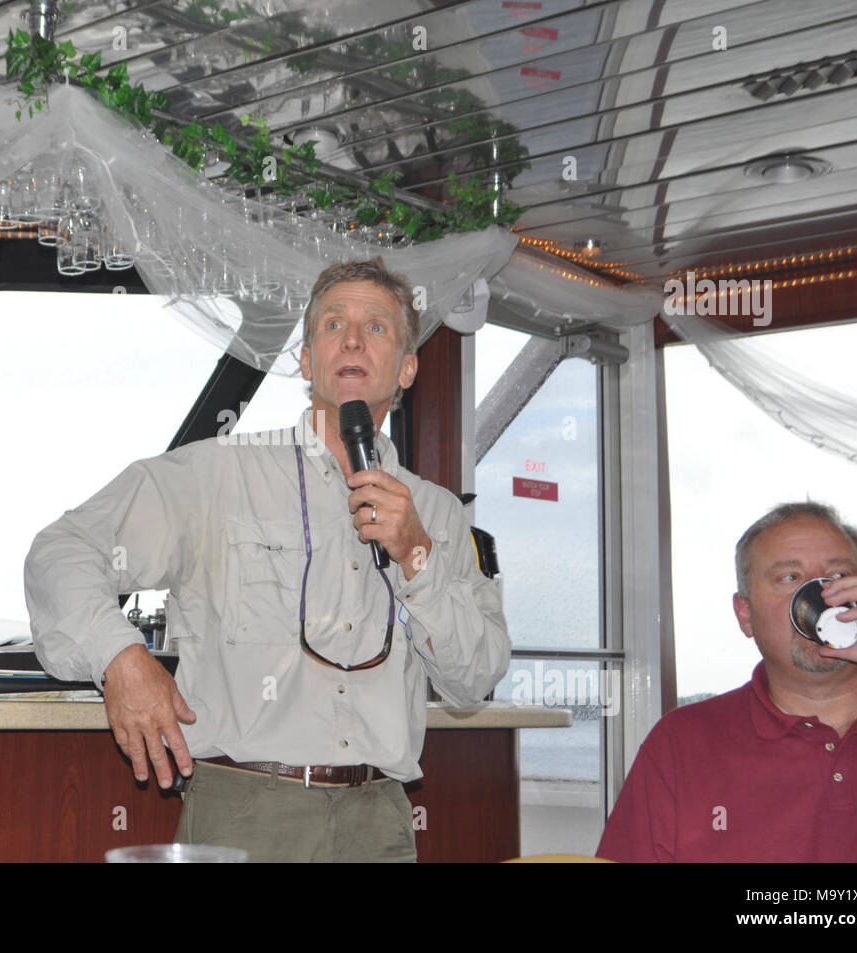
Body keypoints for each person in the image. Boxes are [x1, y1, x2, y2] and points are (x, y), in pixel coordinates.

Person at [25, 258, 510, 862]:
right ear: (307, 363)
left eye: (376, 326)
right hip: (245, 811)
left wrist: (416, 553)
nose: (353, 339)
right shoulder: (217, 474)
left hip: (380, 821)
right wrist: (120, 658)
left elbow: (474, 681)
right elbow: (61, 550)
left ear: (407, 368)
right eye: (333, 324)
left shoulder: (436, 514)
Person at [598, 501, 857, 862]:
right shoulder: (683, 743)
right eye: (790, 578)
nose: (822, 598)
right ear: (745, 614)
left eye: (840, 577)